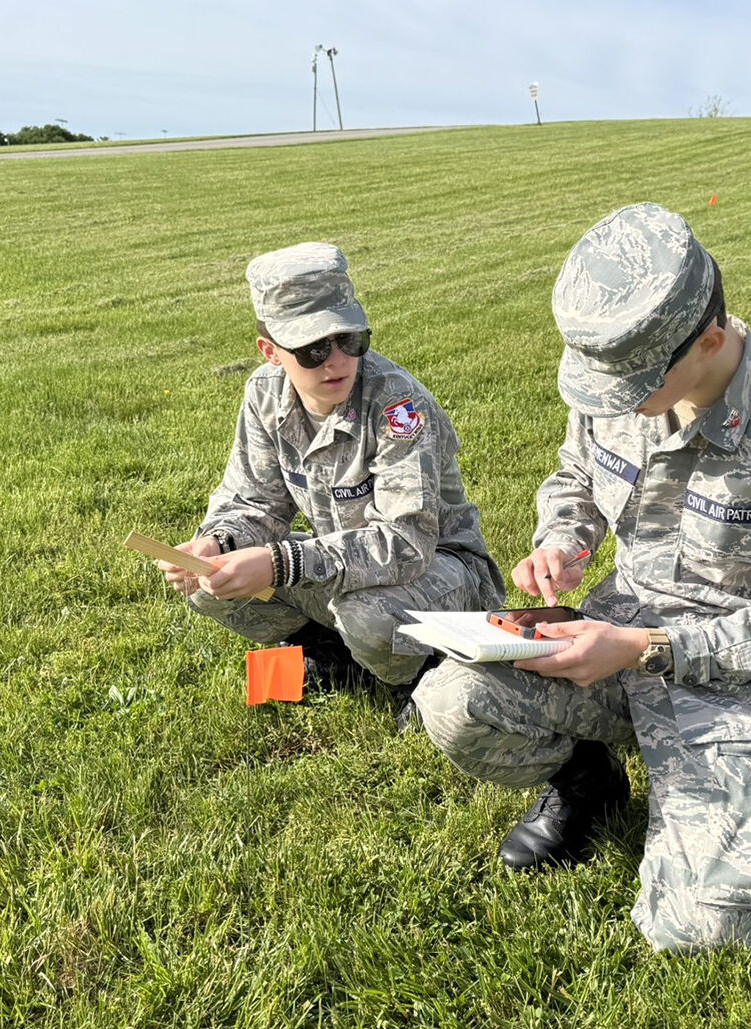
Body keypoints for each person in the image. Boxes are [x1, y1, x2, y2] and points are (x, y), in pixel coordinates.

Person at [413, 203, 751, 951]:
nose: (615, 402)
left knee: (711, 932)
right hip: (612, 629)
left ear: (709, 342)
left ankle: (739, 790)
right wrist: (563, 542)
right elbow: (576, 475)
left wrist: (644, 648)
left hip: (732, 681)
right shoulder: (625, 383)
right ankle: (589, 780)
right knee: (453, 699)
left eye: (631, 385)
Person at [160, 241, 504, 718]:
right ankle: (332, 653)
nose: (337, 361)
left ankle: (421, 675)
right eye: (313, 349)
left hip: (441, 573)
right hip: (347, 566)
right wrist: (219, 543)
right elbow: (255, 502)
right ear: (270, 352)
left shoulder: (397, 404)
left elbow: (406, 544)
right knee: (209, 580)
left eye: (350, 340)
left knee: (366, 615)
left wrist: (280, 564)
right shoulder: (264, 394)